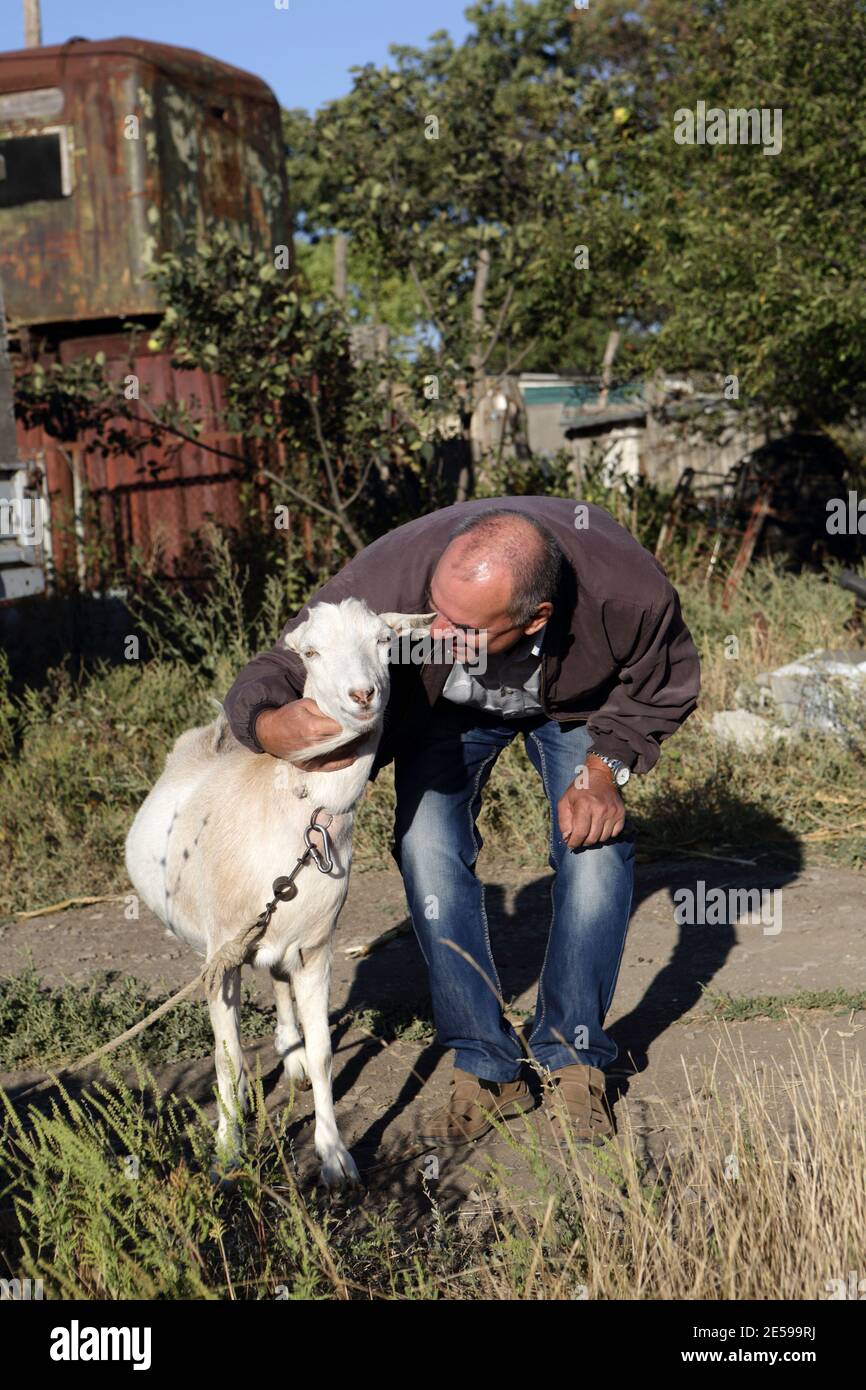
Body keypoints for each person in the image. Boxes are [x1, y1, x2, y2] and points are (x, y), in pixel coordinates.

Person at [224, 497, 701, 1147]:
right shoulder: (394, 575)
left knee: (594, 846)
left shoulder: (627, 592)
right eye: (435, 613)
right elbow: (279, 663)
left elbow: (660, 682)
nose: (437, 630)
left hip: (576, 707)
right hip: (447, 711)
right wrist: (267, 722)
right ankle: (486, 1064)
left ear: (538, 616)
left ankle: (574, 1059)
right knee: (427, 844)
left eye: (464, 627)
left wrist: (606, 766)